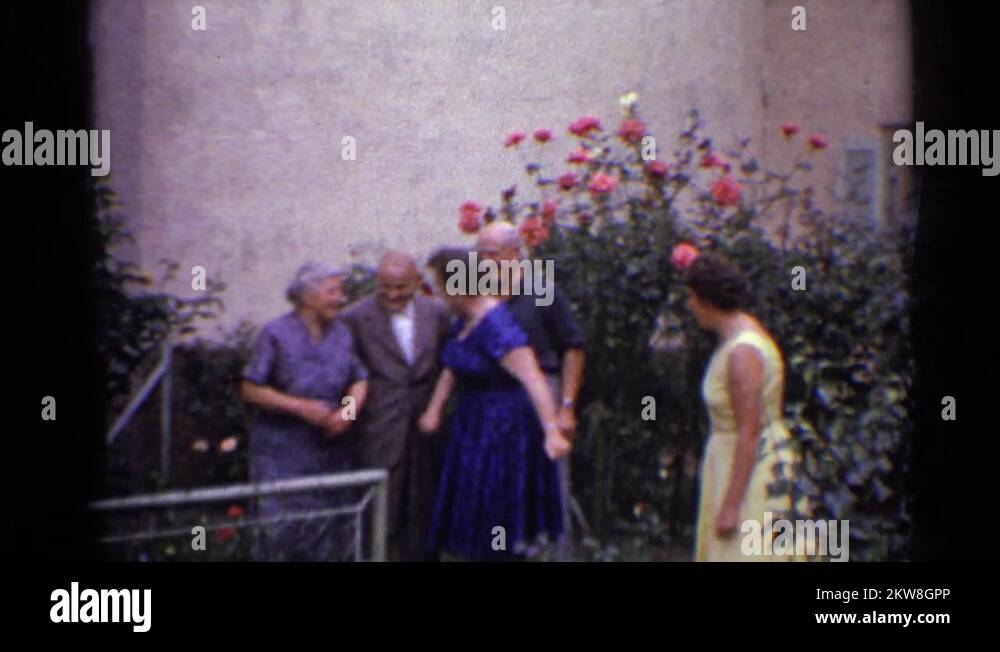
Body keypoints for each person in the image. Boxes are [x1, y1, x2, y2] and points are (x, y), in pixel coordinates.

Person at [418, 247, 571, 561]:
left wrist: (552, 431)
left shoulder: (496, 324)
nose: (438, 294)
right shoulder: (465, 320)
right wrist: (434, 409)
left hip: (503, 428)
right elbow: (452, 366)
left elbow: (533, 379)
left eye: (440, 286)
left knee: (494, 510)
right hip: (473, 423)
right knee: (473, 508)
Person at [241, 262, 368, 561]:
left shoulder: (342, 334)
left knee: (333, 533)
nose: (341, 298)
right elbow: (250, 389)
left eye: (341, 290)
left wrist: (347, 412)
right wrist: (300, 407)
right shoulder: (275, 333)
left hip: (331, 451)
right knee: (281, 535)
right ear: (307, 296)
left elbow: (360, 379)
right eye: (332, 291)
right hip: (283, 454)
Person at [475, 221, 586, 554]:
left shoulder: (543, 290)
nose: (482, 262)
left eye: (490, 254)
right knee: (500, 485)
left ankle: (556, 556)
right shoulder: (477, 294)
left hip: (542, 397)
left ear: (514, 254)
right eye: (479, 255)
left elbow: (574, 348)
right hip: (494, 399)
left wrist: (567, 406)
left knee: (549, 483)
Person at [683, 254, 799, 561]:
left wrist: (731, 506)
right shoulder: (742, 333)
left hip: (749, 468)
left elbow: (749, 430)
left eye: (693, 298)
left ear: (708, 300)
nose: (691, 306)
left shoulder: (741, 352)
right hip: (738, 460)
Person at [340, 251, 452, 562]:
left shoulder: (437, 313)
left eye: (401, 287)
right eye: (385, 287)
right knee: (380, 516)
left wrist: (438, 410)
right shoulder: (354, 318)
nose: (392, 294)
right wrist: (347, 415)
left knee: (424, 514)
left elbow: (448, 366)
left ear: (418, 282)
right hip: (379, 430)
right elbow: (347, 377)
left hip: (426, 429)